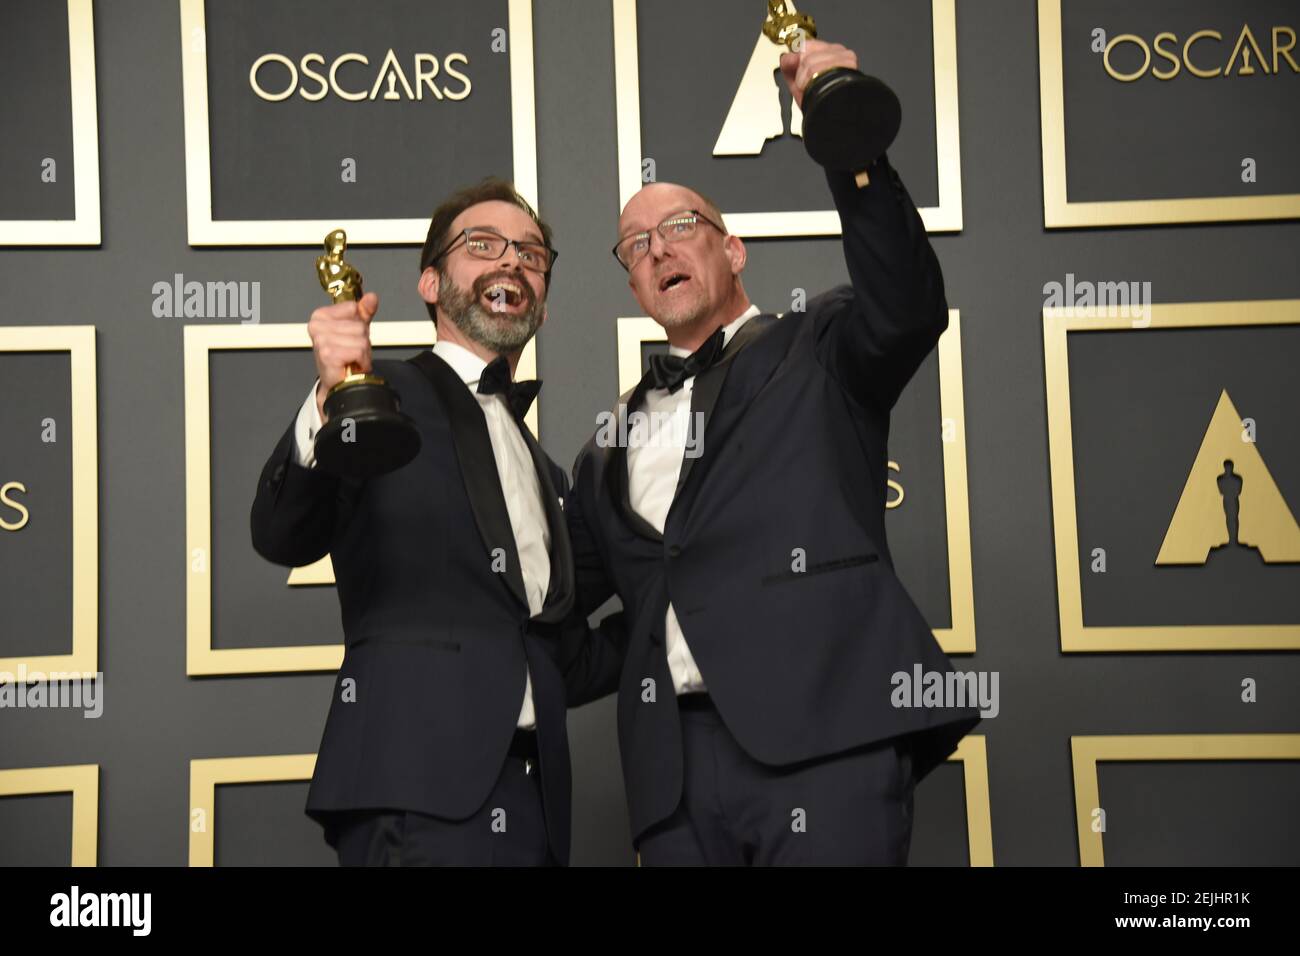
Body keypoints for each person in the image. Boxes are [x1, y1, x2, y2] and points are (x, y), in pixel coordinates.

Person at [565, 40, 981, 865]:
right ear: (632, 285)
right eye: (635, 245)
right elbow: (557, 614)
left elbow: (906, 305)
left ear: (733, 249)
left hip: (827, 747)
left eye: (678, 226)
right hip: (671, 782)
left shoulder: (819, 344)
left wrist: (847, 140)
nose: (657, 249)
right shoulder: (605, 448)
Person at [250, 178, 625, 866]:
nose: (512, 261)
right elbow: (283, 533)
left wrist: (689, 616)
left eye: (532, 254)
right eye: (483, 245)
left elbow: (559, 655)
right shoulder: (381, 397)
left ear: (544, 298)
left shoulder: (546, 472)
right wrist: (333, 398)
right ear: (430, 282)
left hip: (535, 802)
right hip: (415, 792)